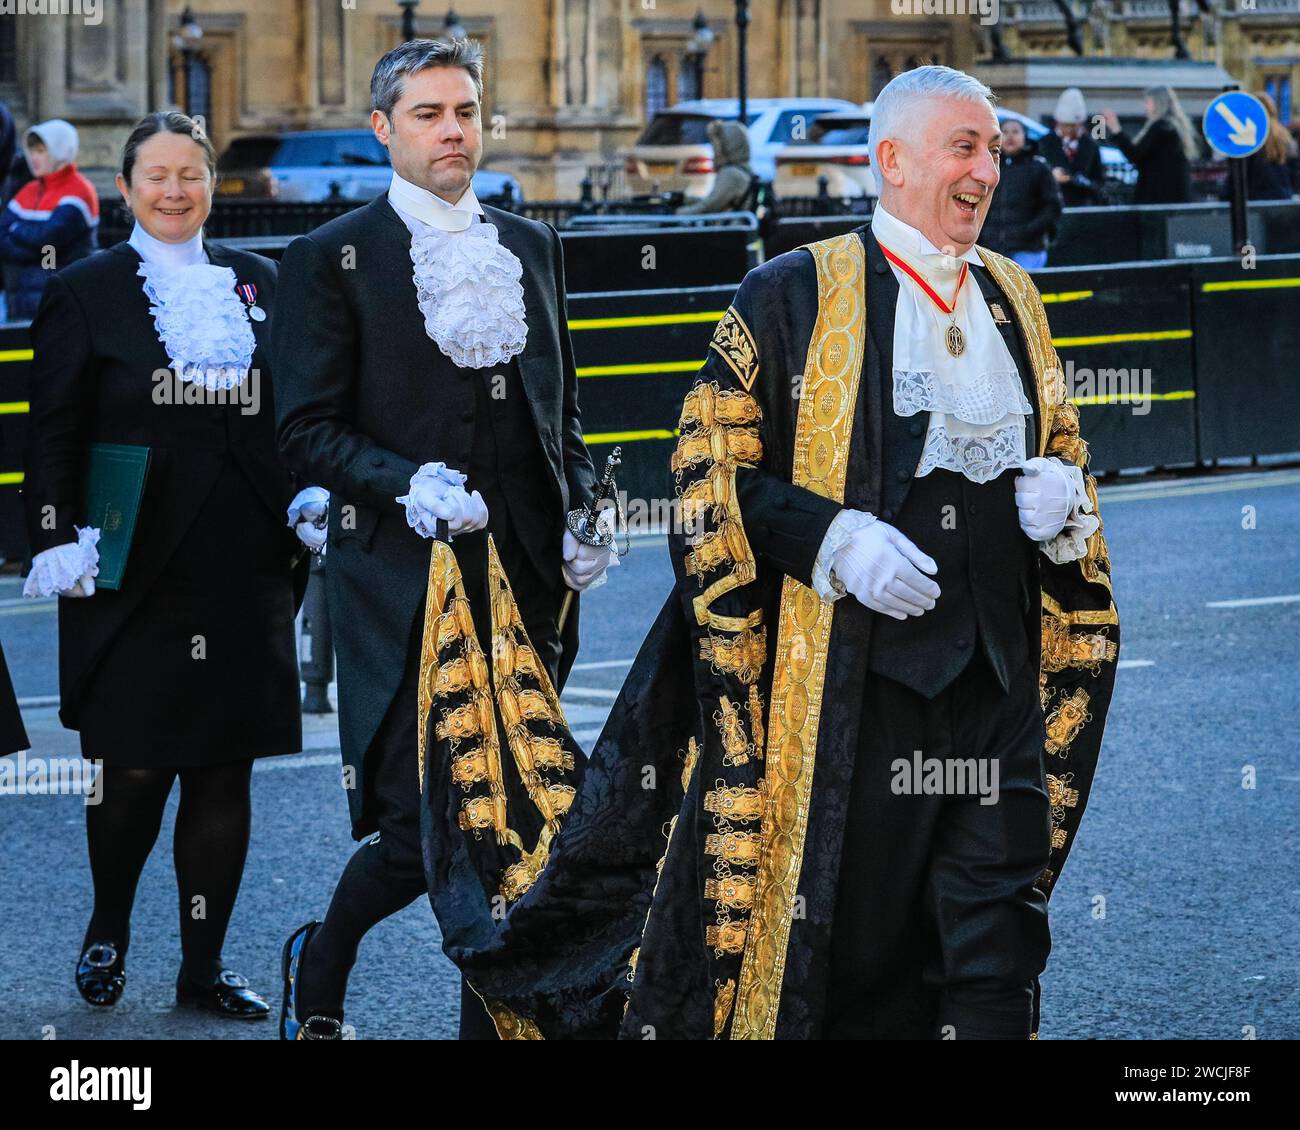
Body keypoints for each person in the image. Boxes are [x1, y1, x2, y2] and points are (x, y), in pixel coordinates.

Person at [422, 64, 1121, 1041]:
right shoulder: (792, 293)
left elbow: (1065, 449)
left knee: (997, 940)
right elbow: (706, 471)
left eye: (994, 151)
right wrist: (831, 537)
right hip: (857, 696)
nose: (987, 171)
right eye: (964, 147)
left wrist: (1064, 503)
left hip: (997, 693)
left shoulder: (1011, 294)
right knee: (858, 950)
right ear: (891, 159)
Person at [271, 37, 605, 1041]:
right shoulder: (328, 256)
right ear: (384, 128)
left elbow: (561, 413)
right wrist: (401, 480)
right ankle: (322, 956)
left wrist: (582, 508)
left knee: (525, 820)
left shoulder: (532, 246)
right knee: (427, 826)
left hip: (530, 584)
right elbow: (302, 428)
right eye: (427, 113)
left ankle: (491, 1023)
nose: (452, 128)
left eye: (464, 109)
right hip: (404, 583)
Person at [21, 110, 316, 1020]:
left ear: (212, 185)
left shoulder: (264, 282)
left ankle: (203, 966)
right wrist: (51, 534)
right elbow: (53, 433)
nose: (176, 189)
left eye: (192, 173)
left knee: (223, 772)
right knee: (133, 769)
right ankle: (107, 927)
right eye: (158, 175)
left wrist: (307, 494)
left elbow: (297, 414)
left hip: (245, 564)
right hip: (132, 564)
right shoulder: (86, 291)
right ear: (126, 188)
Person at [0, 120, 99, 321]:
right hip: (19, 305)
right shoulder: (28, 190)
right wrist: (34, 249)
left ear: (60, 150)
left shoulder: (79, 191)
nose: (34, 158)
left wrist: (17, 229)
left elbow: (47, 241)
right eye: (32, 151)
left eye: (42, 151)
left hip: (63, 306)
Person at [980, 118, 1063, 269]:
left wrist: (1029, 230)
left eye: (1016, 131)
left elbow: (1053, 206)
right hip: (991, 248)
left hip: (1027, 248)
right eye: (1004, 132)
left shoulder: (1039, 168)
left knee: (1018, 289)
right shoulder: (988, 166)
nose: (1010, 136)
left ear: (1025, 137)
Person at [1102, 86, 1197, 205]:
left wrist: (1116, 130)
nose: (1145, 107)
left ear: (1158, 103)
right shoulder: (1173, 128)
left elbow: (1136, 154)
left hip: (1158, 198)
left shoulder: (1161, 127)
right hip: (1173, 197)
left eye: (1148, 102)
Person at [1037, 87, 1107, 207]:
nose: (1069, 130)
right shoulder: (1044, 143)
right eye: (1065, 125)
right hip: (1050, 207)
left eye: (1074, 126)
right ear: (1057, 122)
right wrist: (1051, 176)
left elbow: (1099, 183)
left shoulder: (1090, 146)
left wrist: (1076, 180)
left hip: (1081, 207)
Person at [678, 119, 753, 214]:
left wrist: (677, 213)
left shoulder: (731, 174)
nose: (714, 151)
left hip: (727, 226)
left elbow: (708, 207)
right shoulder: (741, 171)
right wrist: (687, 200)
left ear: (727, 146)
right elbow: (715, 200)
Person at [1240, 92, 1296, 201]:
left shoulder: (1249, 137)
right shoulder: (1283, 135)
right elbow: (1294, 169)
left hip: (1255, 200)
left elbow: (1242, 174)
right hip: (1283, 198)